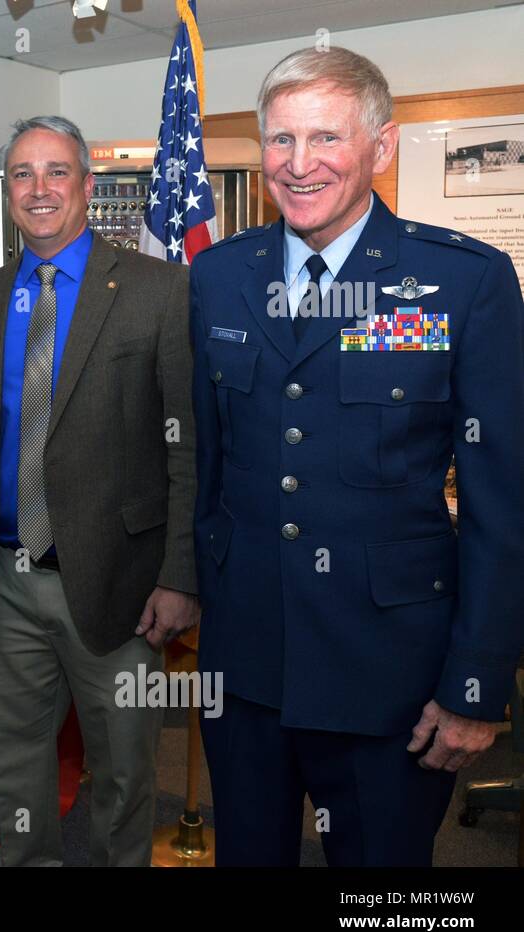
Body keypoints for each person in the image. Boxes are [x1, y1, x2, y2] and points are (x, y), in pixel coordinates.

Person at [190, 46, 524, 866]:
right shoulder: (219, 277)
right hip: (248, 671)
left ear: (381, 147)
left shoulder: (461, 281)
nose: (299, 166)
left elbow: (502, 500)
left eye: (326, 140)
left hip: (391, 680)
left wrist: (475, 682)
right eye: (280, 141)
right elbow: (207, 465)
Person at [0, 116, 199, 866]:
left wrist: (179, 576)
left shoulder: (160, 290)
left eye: (56, 171)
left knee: (127, 775)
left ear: (88, 186)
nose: (39, 189)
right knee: (17, 772)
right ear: (10, 193)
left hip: (120, 588)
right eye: (23, 174)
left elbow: (189, 446)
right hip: (8, 584)